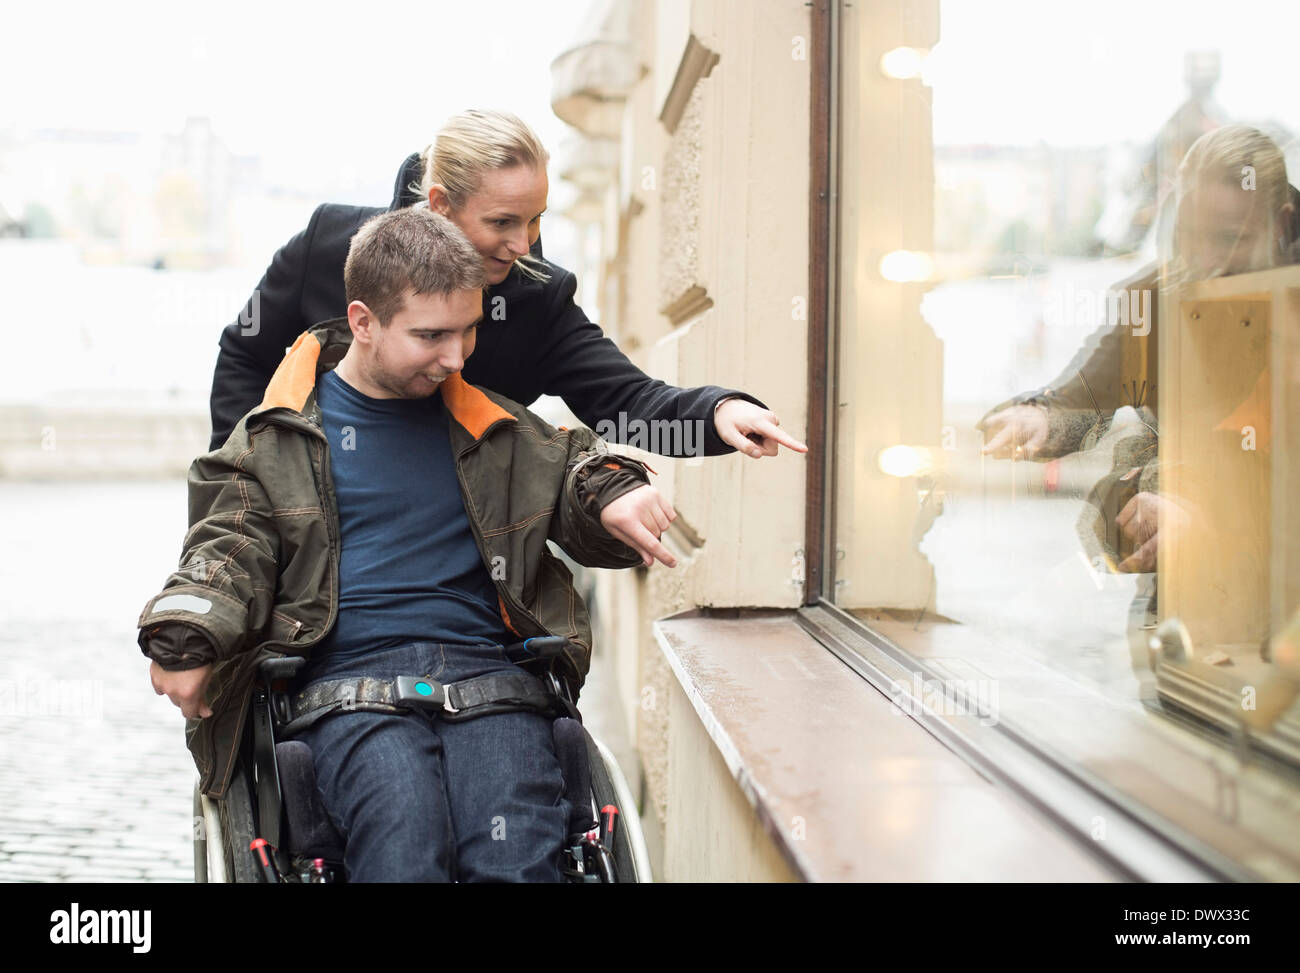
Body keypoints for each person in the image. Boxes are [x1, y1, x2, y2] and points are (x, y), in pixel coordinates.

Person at [140, 207, 659, 881]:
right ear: (363, 321)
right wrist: (189, 636)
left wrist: (614, 490)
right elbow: (226, 547)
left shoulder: (498, 428)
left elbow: (575, 472)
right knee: (404, 848)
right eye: (432, 335)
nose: (456, 356)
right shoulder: (273, 444)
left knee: (513, 857)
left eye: (469, 330)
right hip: (348, 692)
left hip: (495, 684)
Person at [209, 109, 807, 569]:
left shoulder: (539, 300)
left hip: (464, 557)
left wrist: (718, 411)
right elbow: (245, 351)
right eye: (502, 222)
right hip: (320, 541)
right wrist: (246, 491)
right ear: (441, 204)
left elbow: (627, 404)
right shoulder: (324, 244)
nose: (523, 244)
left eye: (537, 218)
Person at [978, 125, 1297, 572]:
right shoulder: (1160, 295)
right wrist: (1042, 416)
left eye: (1229, 240)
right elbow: (1092, 389)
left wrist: (1205, 516)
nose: (1205, 261)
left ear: (1281, 224)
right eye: (1191, 234)